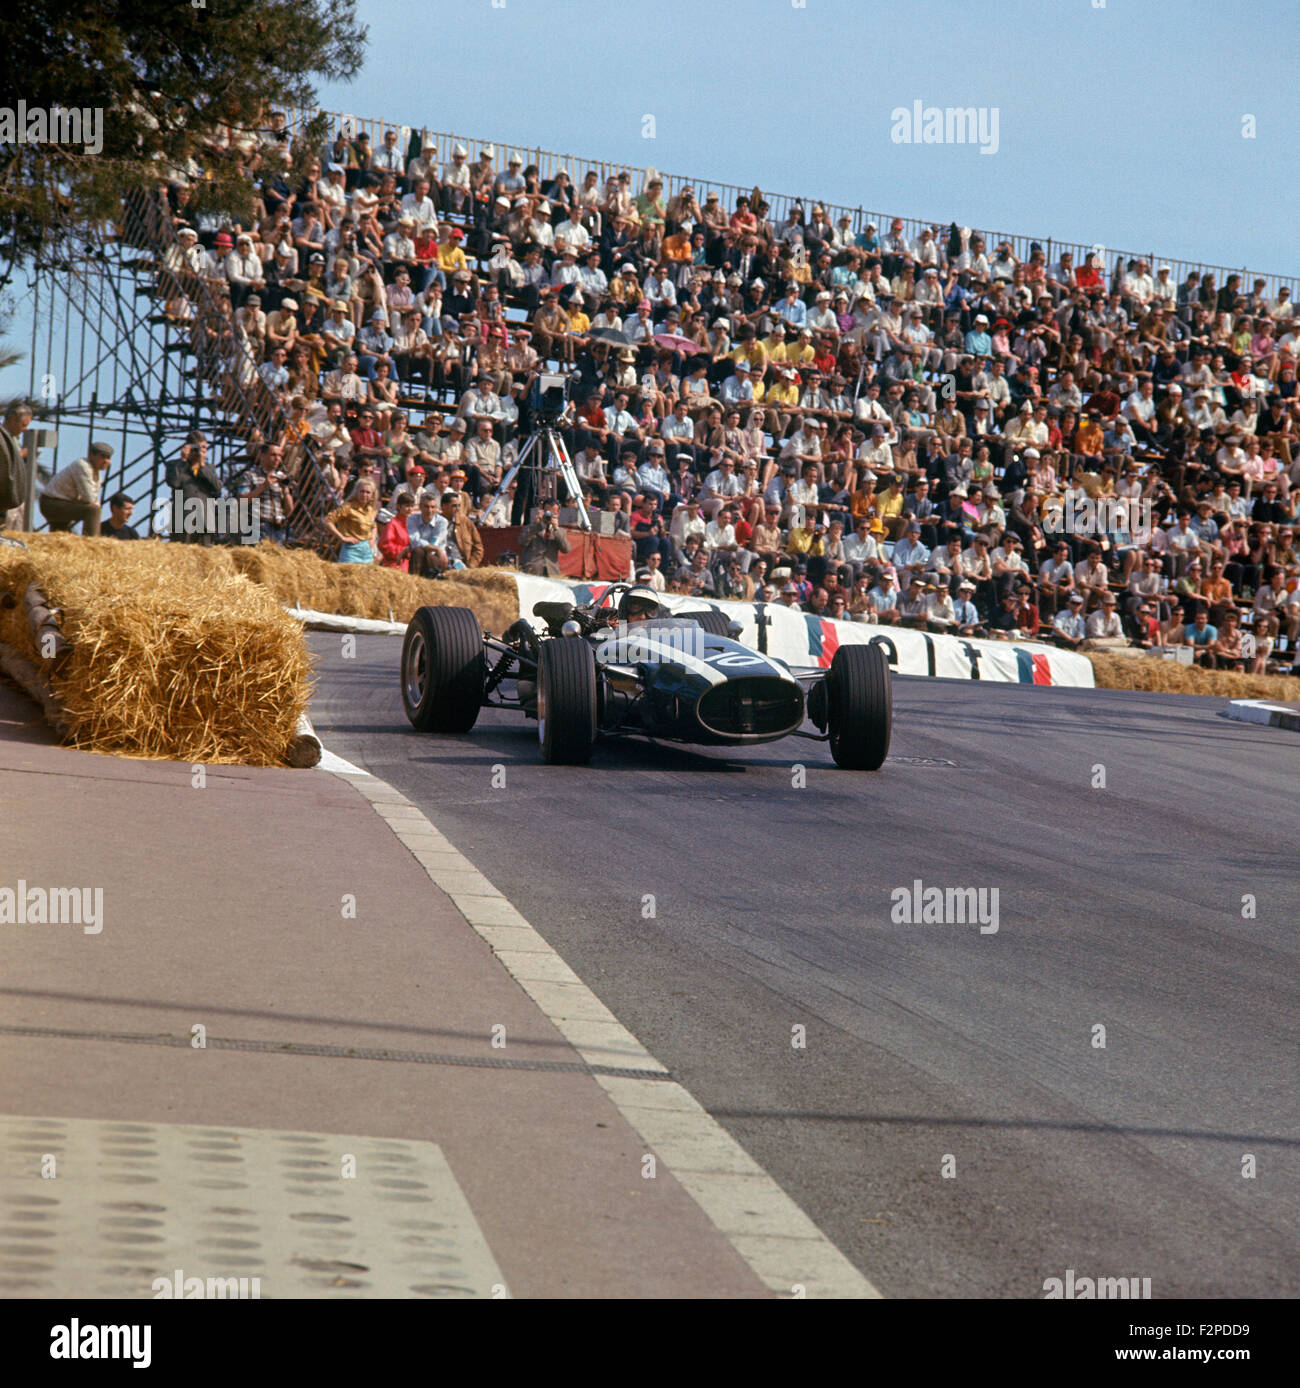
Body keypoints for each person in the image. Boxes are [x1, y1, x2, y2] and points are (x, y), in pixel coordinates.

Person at [39, 442, 113, 535]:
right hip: (51, 503)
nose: (106, 461)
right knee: (93, 510)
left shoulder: (96, 473)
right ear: (91, 455)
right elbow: (89, 498)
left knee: (61, 538)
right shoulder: (83, 466)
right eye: (102, 457)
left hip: (63, 502)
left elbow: (92, 498)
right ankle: (91, 542)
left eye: (108, 458)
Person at [325, 478, 379, 563]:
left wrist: (371, 541)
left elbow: (374, 526)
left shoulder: (370, 509)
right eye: (362, 491)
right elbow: (327, 521)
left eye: (368, 492)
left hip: (367, 551)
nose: (364, 494)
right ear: (356, 492)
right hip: (351, 550)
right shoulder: (348, 507)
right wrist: (342, 538)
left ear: (372, 495)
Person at [0, 401, 34, 530]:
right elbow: (5, 462)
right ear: (13, 420)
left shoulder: (12, 439)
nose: (24, 429)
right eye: (23, 425)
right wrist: (22, 455)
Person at [519, 501, 571, 576]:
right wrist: (536, 525)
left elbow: (566, 549)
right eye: (547, 513)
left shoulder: (560, 532)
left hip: (551, 572)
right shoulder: (531, 527)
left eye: (553, 513)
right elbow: (522, 541)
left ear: (558, 514)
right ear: (542, 512)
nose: (549, 516)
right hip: (532, 571)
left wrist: (556, 529)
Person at [406, 492, 450, 577]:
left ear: (436, 508)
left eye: (432, 507)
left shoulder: (442, 522)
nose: (429, 510)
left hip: (436, 557)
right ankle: (413, 582)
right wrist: (437, 549)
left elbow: (435, 542)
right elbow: (415, 541)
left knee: (423, 553)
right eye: (426, 506)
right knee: (418, 551)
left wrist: (437, 550)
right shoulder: (412, 519)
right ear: (420, 507)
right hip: (420, 554)